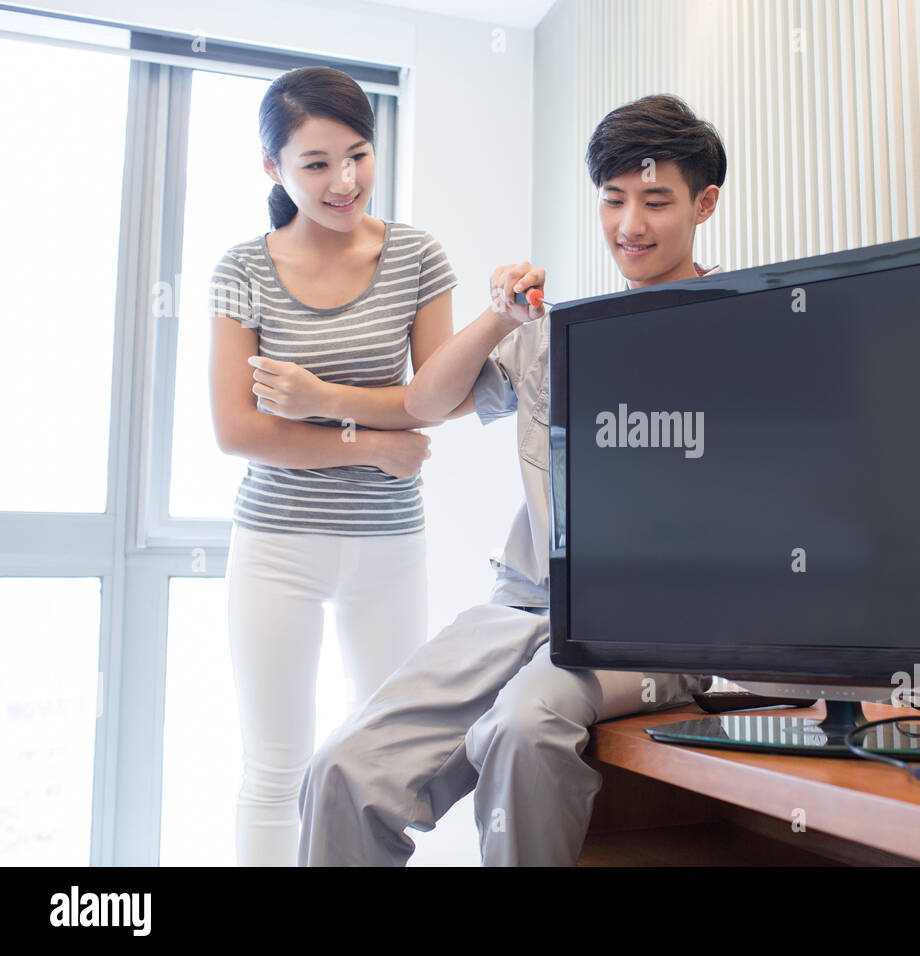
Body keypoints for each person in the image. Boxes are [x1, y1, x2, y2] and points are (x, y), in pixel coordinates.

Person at [297, 94, 725, 866]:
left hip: (659, 627)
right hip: (522, 605)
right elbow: (425, 401)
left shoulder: (746, 333)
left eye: (656, 201)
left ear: (705, 204)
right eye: (614, 199)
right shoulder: (558, 334)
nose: (630, 224)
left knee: (521, 730)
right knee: (341, 768)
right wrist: (499, 317)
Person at [208, 66, 457, 866]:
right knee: (275, 768)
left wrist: (318, 396)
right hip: (277, 547)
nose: (344, 181)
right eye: (316, 163)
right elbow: (238, 430)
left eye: (357, 154)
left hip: (389, 549)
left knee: (381, 765)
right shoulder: (243, 270)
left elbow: (435, 401)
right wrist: (373, 442)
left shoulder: (416, 255)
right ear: (272, 167)